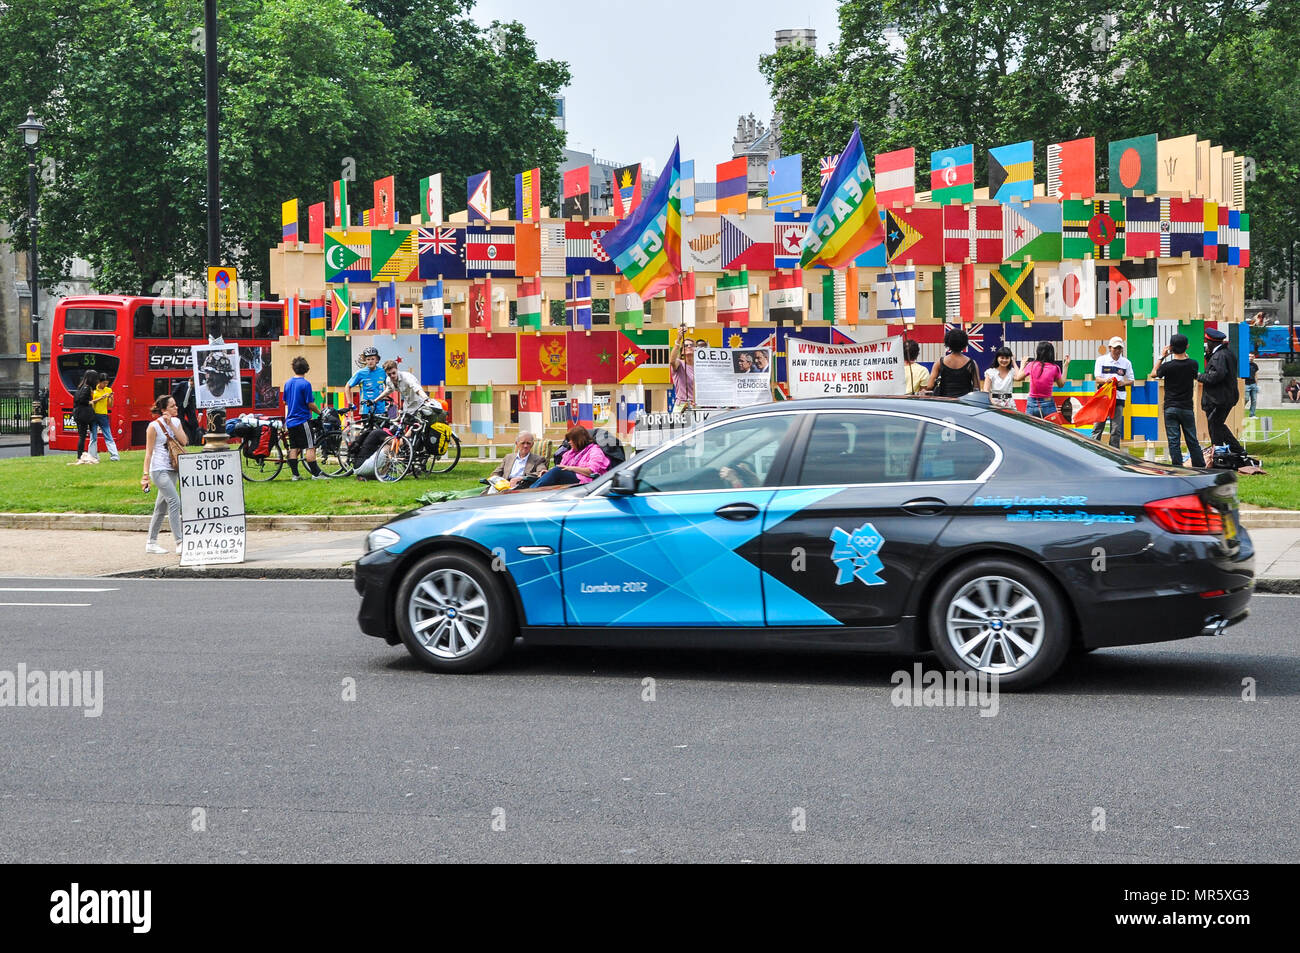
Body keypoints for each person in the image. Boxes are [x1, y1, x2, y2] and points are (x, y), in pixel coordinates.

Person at [141, 394, 188, 554]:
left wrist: (171, 426)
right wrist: (145, 475)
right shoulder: (153, 427)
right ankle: (180, 542)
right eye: (172, 406)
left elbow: (184, 441)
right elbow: (148, 452)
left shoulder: (176, 421)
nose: (176, 408)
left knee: (160, 507)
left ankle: (151, 542)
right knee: (175, 502)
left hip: (173, 468)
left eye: (176, 405)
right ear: (163, 410)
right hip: (158, 469)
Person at [1153, 333, 1204, 468]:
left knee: (1173, 440)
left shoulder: (1167, 366)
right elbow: (1193, 372)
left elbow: (1153, 373)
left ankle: (1177, 467)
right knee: (1192, 439)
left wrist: (1162, 357)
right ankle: (1199, 466)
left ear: (1170, 348)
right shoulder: (1193, 364)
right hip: (1186, 407)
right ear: (1187, 346)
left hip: (1170, 407)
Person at [1199, 327, 1244, 458]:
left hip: (1218, 398)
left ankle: (1226, 451)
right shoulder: (1226, 353)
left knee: (1215, 425)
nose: (1207, 344)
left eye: (1207, 342)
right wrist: (1208, 355)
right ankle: (1222, 451)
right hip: (1225, 397)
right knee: (1216, 424)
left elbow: (1215, 376)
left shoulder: (1219, 356)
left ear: (1212, 342)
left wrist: (1198, 376)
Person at [283, 356, 326, 480]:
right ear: (306, 369)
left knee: (294, 447)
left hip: (290, 421)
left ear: (293, 368)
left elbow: (285, 401)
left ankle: (295, 475)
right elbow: (310, 403)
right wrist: (319, 412)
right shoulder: (305, 384)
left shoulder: (288, 383)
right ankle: (316, 474)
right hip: (302, 420)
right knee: (310, 446)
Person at [1092, 336, 1134, 448]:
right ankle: (1094, 450)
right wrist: (1106, 381)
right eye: (1115, 348)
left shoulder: (1126, 363)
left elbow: (1131, 380)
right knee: (1098, 426)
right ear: (1109, 348)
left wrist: (1123, 383)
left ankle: (1114, 452)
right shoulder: (1101, 360)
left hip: (1119, 397)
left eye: (1120, 348)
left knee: (1116, 429)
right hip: (1103, 397)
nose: (1117, 350)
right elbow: (1097, 378)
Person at [532, 426, 610, 487]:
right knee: (553, 472)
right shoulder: (570, 453)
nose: (569, 442)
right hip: (571, 480)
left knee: (557, 471)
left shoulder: (595, 450)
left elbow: (591, 471)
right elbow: (561, 467)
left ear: (578, 440)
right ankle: (533, 490)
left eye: (571, 440)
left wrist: (571, 468)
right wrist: (549, 473)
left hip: (587, 481)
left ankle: (530, 492)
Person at [927, 327, 980, 397]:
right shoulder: (971, 363)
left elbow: (930, 386)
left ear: (947, 343)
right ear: (964, 343)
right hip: (964, 402)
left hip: (945, 401)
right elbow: (977, 388)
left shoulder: (940, 362)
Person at [1022, 342, 1065, 418]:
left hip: (1032, 403)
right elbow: (1061, 385)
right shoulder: (1055, 368)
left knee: (1029, 428)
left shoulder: (1031, 365)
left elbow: (1018, 377)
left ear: (1038, 352)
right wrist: (1066, 366)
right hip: (1048, 403)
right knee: (1051, 429)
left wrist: (1022, 365)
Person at [346, 346, 389, 417]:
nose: (370, 361)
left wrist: (386, 396)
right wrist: (350, 403)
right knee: (367, 428)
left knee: (382, 428)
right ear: (365, 361)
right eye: (368, 359)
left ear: (377, 360)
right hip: (366, 408)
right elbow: (347, 386)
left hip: (381, 408)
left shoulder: (383, 372)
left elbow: (389, 386)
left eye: (372, 359)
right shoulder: (360, 373)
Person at [87, 372, 120, 462]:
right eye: (104, 383)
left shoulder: (108, 390)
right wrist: (101, 398)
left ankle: (114, 456)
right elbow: (91, 403)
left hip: (103, 415)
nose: (105, 385)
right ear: (99, 382)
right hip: (93, 415)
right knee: (93, 437)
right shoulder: (93, 390)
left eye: (107, 383)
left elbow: (111, 405)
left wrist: (111, 397)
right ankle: (93, 456)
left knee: (108, 435)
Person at [69, 370, 99, 465]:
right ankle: (80, 455)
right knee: (83, 436)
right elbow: (82, 400)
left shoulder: (81, 387)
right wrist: (90, 402)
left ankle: (80, 455)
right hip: (83, 415)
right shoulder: (86, 388)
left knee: (82, 436)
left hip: (78, 414)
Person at [669, 326, 695, 413]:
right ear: (682, 351)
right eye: (686, 345)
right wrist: (678, 340)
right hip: (681, 405)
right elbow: (672, 361)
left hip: (697, 406)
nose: (689, 346)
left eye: (691, 345)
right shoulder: (680, 364)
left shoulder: (700, 366)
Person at [1244, 351, 1259, 417]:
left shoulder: (1255, 365)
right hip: (1246, 384)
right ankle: (1241, 410)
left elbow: (1256, 374)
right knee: (1246, 398)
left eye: (1252, 357)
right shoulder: (1244, 364)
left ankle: (1252, 414)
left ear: (1254, 357)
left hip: (1253, 384)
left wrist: (1256, 384)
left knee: (1254, 400)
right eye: (1249, 356)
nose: (1251, 358)